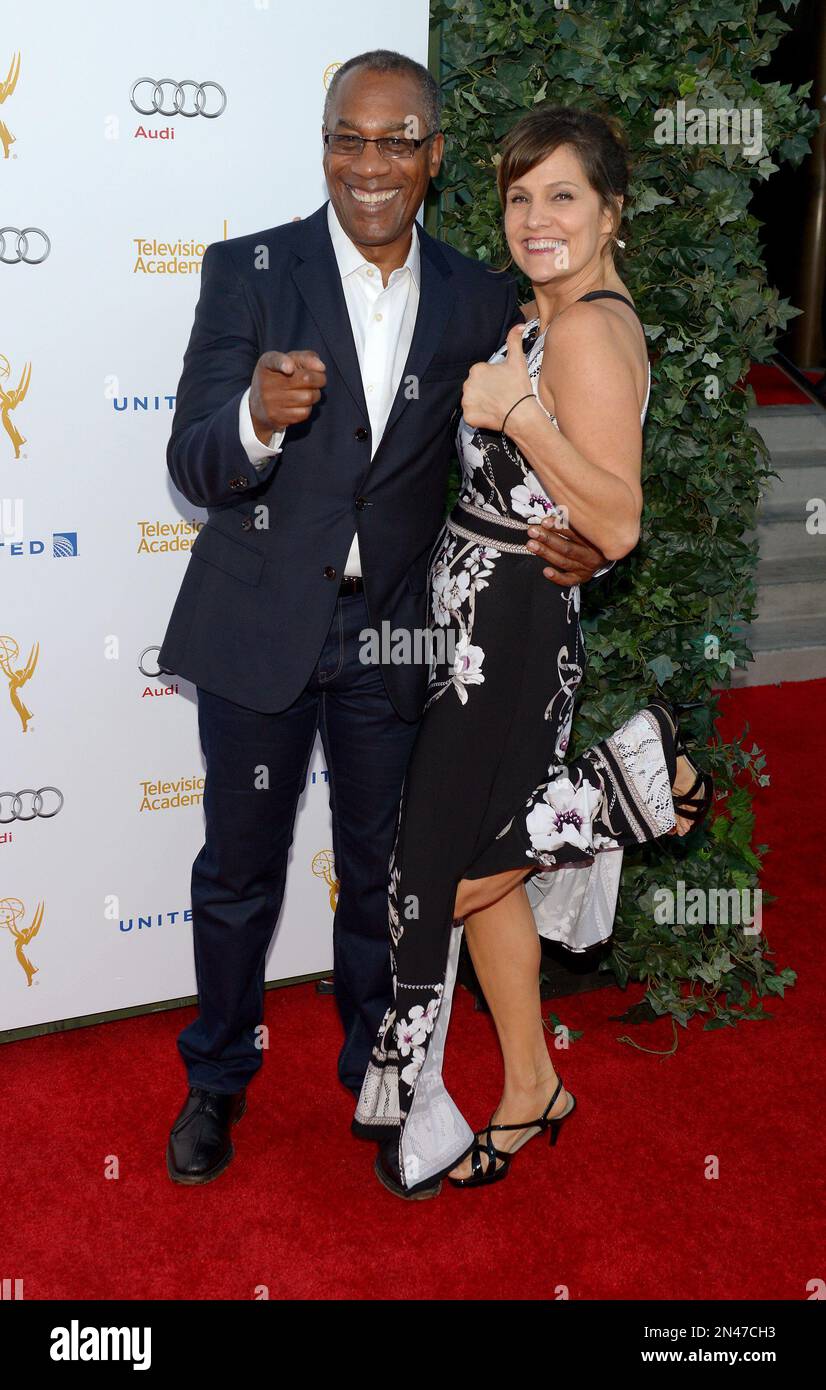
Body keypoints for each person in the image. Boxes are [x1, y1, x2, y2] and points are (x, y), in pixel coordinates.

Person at [159, 53, 610, 1186]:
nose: (370, 165)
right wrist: (257, 422)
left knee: (381, 877)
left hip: (395, 636)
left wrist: (574, 537)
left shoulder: (474, 296)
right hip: (257, 625)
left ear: (433, 156)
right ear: (325, 146)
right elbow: (193, 458)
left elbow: (528, 446)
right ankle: (216, 1075)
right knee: (239, 874)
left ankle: (384, 1078)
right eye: (348, 140)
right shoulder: (247, 270)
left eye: (396, 141)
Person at [352, 106, 713, 1199]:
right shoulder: (543, 314)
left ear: (611, 213)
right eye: (518, 196)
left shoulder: (592, 329)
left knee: (437, 879)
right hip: (473, 618)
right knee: (475, 877)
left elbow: (617, 520)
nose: (535, 217)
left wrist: (518, 414)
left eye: (562, 196)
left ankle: (627, 795)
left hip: (508, 638)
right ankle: (529, 1083)